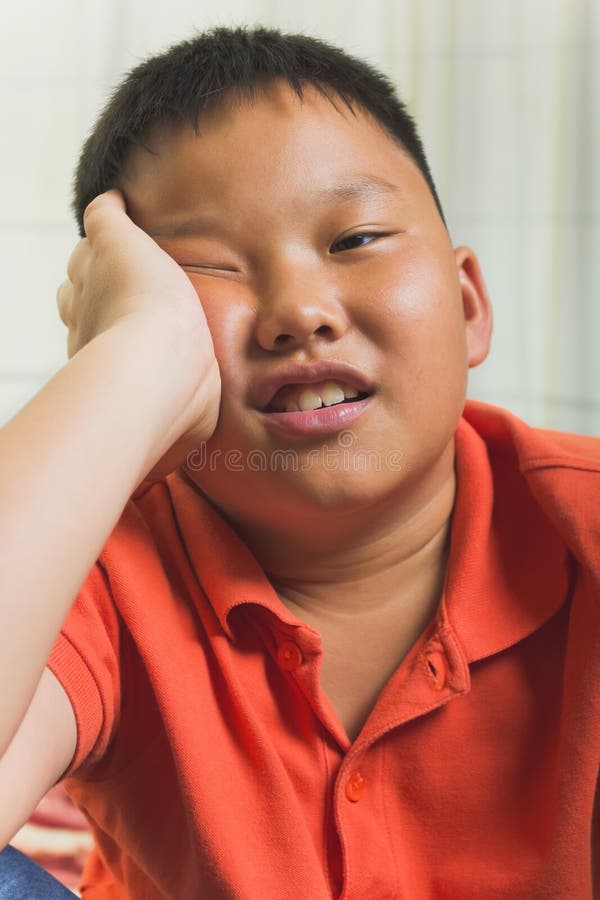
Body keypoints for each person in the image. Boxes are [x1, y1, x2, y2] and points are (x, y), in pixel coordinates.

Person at [0, 23, 598, 900]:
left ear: (468, 302)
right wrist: (123, 374)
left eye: (353, 240)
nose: (299, 312)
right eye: (203, 272)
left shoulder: (578, 520)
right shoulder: (100, 558)